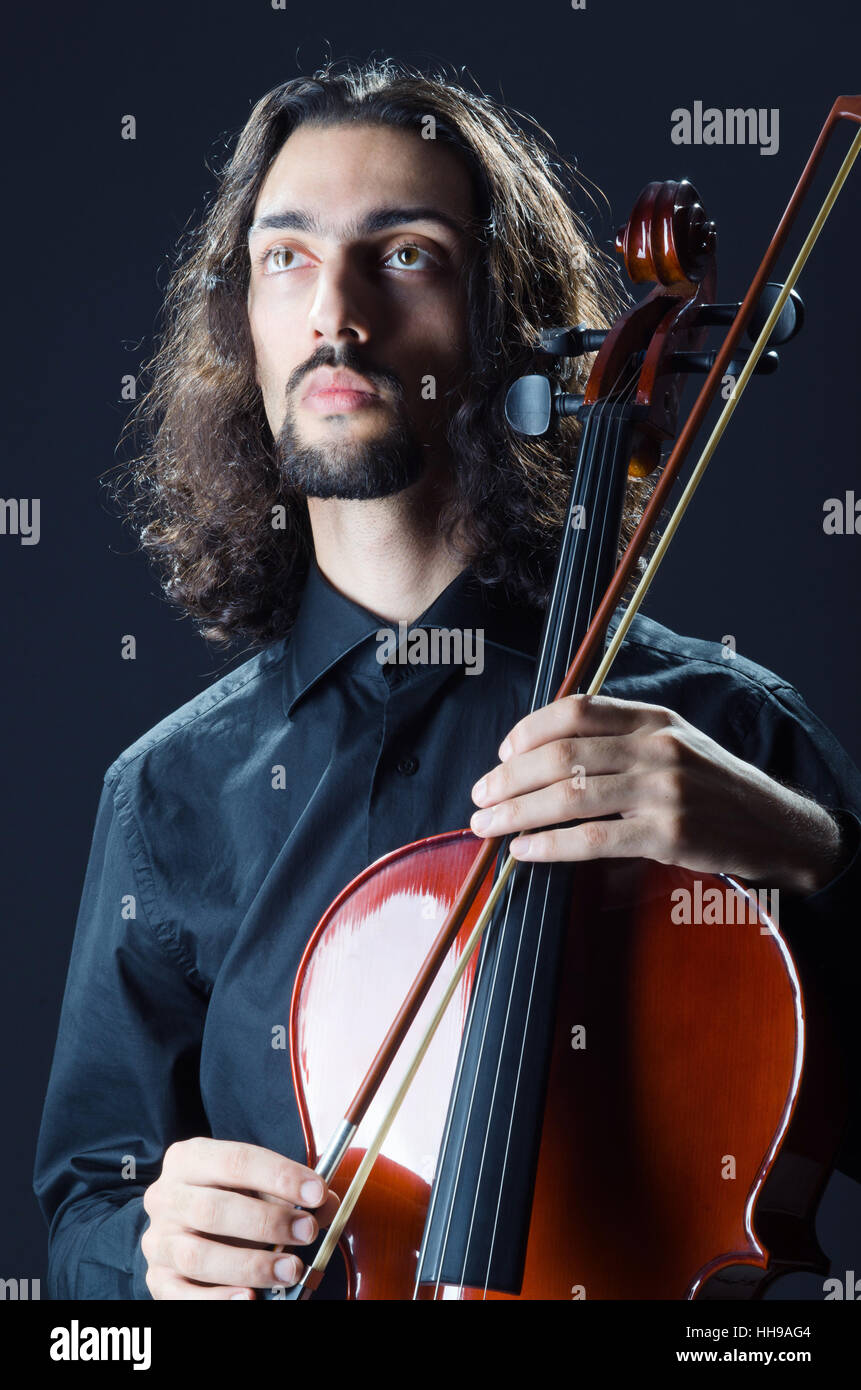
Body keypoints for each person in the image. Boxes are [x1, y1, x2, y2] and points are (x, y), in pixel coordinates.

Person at [34, 59, 861, 1300]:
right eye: (286, 258)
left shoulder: (717, 730)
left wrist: (818, 855)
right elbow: (84, 1224)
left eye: (405, 254)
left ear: (505, 316)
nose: (337, 315)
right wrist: (142, 1261)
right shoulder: (167, 794)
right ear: (242, 328)